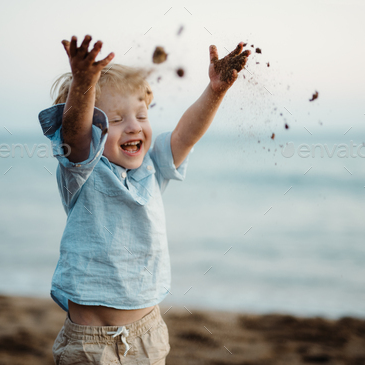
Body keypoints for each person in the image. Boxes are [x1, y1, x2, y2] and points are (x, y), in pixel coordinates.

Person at [39, 34, 250, 364]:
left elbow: (185, 134)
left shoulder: (152, 167)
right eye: (117, 119)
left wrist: (215, 91)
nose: (134, 127)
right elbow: (76, 134)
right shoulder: (81, 169)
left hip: (147, 333)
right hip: (89, 343)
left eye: (142, 115)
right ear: (95, 132)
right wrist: (83, 83)